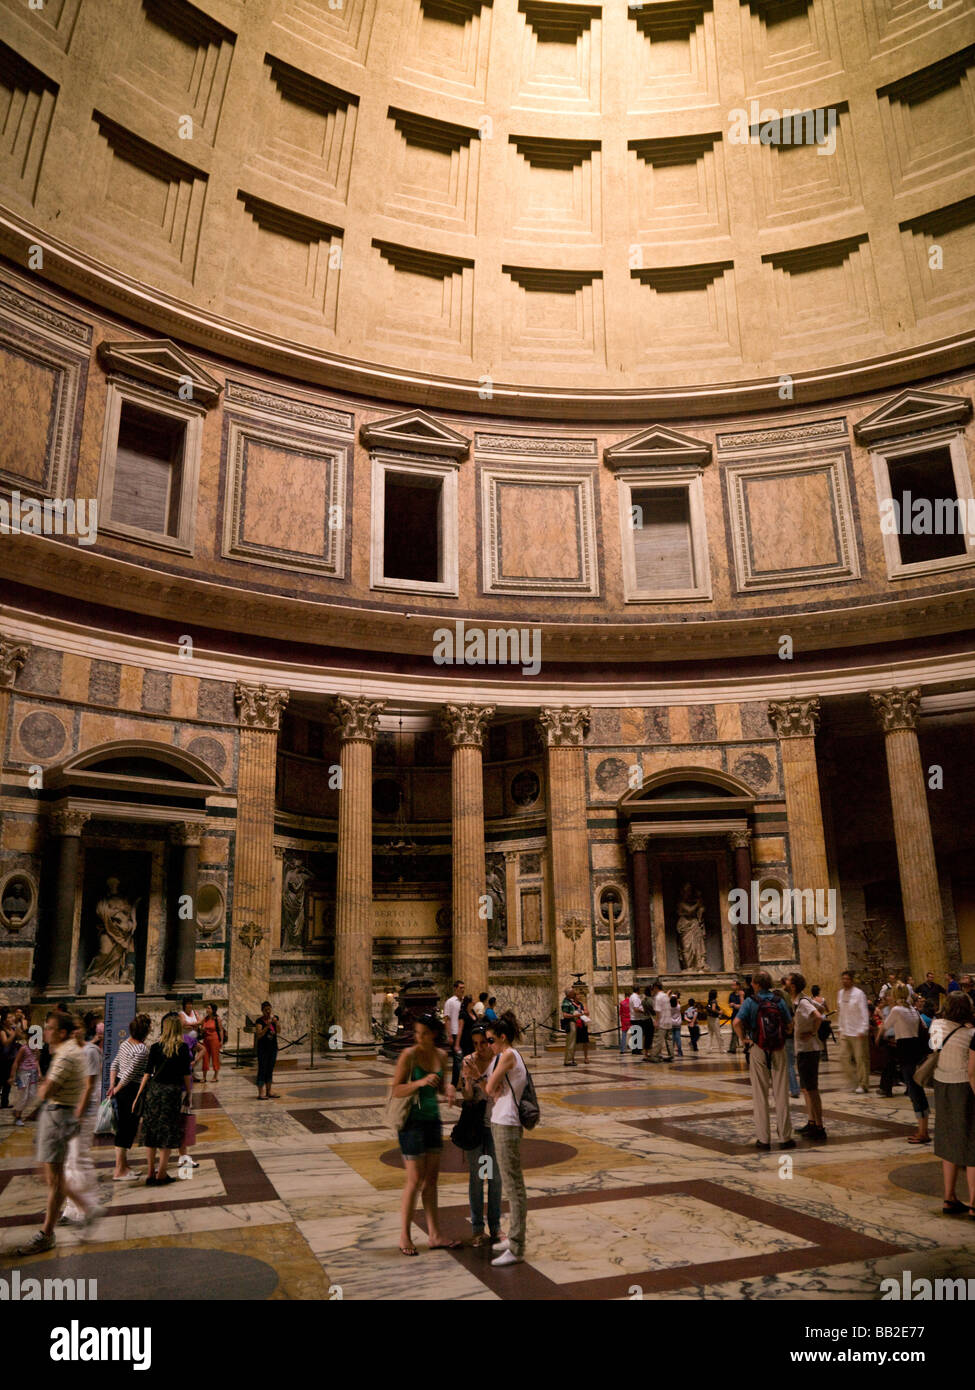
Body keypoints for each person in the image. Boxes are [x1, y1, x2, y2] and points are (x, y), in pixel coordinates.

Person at [16, 1011, 99, 1254]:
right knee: (50, 1175)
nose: (46, 1032)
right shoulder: (70, 1049)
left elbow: (45, 1092)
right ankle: (85, 1208)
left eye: (50, 1028)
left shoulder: (67, 1056)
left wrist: (43, 1087)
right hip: (58, 1114)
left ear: (62, 1032)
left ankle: (47, 1233)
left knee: (54, 1179)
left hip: (58, 1115)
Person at [391, 1013, 459, 1256]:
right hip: (411, 1122)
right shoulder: (408, 1056)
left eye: (424, 1033)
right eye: (416, 1033)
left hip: (432, 1121)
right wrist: (419, 1083)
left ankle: (435, 1234)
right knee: (415, 1180)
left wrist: (449, 1088)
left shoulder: (442, 1056)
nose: (419, 1038)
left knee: (431, 1181)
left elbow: (440, 1087)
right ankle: (404, 1235)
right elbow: (397, 1090)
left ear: (434, 1034)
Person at [484, 1011, 528, 1267]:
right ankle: (512, 1238)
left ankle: (516, 1245)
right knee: (511, 1185)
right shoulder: (509, 1055)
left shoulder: (509, 1055)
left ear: (502, 1037)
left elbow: (491, 1088)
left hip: (508, 1122)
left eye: (491, 1040)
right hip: (502, 1120)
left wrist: (492, 1086)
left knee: (514, 1188)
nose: (489, 1045)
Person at [734, 970, 795, 1151]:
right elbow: (790, 1025)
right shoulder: (779, 1001)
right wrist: (783, 1034)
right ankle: (785, 1137)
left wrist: (743, 1039)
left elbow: (737, 1022)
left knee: (760, 1093)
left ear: (756, 984)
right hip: (778, 1047)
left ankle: (763, 1139)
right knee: (781, 1091)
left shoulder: (750, 1002)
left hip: (758, 1047)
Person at [928, 992, 975, 1214]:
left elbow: (934, 1047)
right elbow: (971, 1068)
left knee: (948, 1138)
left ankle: (949, 1197)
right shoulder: (970, 1033)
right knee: (970, 1140)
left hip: (941, 1083)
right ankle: (974, 1202)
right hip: (963, 1085)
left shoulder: (936, 1025)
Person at [455, 1025, 502, 1247]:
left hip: (494, 1125)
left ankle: (495, 1226)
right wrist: (466, 1080)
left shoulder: (501, 1060)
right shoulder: (467, 1061)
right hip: (475, 1126)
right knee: (477, 1177)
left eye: (483, 1043)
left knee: (494, 1177)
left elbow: (497, 1092)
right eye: (475, 1044)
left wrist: (479, 1075)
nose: (479, 1048)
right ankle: (477, 1228)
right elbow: (468, 1096)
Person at [134, 1012, 192, 1185]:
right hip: (171, 1092)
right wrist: (188, 1094)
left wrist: (139, 1094)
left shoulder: (155, 1047)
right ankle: (162, 1173)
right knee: (167, 1131)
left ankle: (151, 1172)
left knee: (151, 1130)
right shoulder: (182, 1048)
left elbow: (147, 1072)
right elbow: (186, 1075)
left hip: (154, 1090)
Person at [62, 1018, 103, 1222]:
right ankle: (70, 1208)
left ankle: (90, 1204)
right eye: (71, 1029)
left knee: (80, 1157)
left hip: (84, 1111)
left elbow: (90, 1085)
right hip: (71, 1109)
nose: (74, 1033)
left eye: (77, 1028)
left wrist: (79, 1112)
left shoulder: (91, 1051)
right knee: (69, 1162)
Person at [884, 985, 930, 1144]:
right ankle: (923, 1129)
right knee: (918, 1091)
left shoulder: (897, 1010)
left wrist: (879, 1037)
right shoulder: (913, 1010)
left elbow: (885, 1027)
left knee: (914, 1093)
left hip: (906, 1055)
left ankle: (923, 1132)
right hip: (916, 1053)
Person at [107, 1013, 151, 1180]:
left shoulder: (125, 1042)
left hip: (121, 1086)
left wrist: (112, 1085)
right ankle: (119, 1170)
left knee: (124, 1127)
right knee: (126, 1128)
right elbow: (130, 1074)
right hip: (130, 1089)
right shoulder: (141, 1049)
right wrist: (116, 1088)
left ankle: (124, 1166)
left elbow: (115, 1064)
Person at [787, 972, 826, 1141]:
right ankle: (811, 1122)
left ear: (793, 985)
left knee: (811, 1089)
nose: (785, 982)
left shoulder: (802, 1002)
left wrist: (812, 1031)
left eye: (787, 980)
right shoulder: (801, 1000)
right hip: (804, 1050)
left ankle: (819, 1127)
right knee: (806, 1089)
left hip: (808, 1050)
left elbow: (818, 1016)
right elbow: (822, 1009)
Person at [837, 970, 871, 1094]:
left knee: (860, 1059)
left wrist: (863, 1029)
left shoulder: (859, 994)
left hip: (858, 1032)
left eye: (847, 979)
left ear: (851, 980)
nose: (844, 981)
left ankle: (863, 1084)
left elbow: (863, 1012)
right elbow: (841, 1012)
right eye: (843, 979)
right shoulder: (840, 993)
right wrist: (840, 1028)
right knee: (843, 1057)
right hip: (845, 1031)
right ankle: (853, 1081)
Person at [11, 1022, 40, 1125]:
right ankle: (18, 1116)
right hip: (23, 1073)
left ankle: (17, 1110)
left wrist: (39, 1072)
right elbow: (16, 1062)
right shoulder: (23, 1048)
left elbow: (36, 1060)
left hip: (33, 1073)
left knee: (32, 1095)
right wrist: (12, 1076)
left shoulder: (36, 1048)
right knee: (23, 1095)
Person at [775, 978, 800, 1098]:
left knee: (781, 1065)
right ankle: (793, 1089)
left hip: (780, 1038)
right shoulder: (789, 1008)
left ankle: (790, 1089)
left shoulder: (776, 1009)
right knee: (790, 1064)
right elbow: (792, 1023)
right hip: (789, 1037)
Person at [254, 1000, 280, 1099]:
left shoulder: (273, 1020)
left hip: (272, 1047)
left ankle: (269, 1091)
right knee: (262, 1069)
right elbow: (259, 1035)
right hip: (263, 1049)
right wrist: (267, 1026)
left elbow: (278, 1031)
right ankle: (261, 1092)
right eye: (266, 1010)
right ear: (262, 1011)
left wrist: (276, 1023)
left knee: (270, 1069)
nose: (268, 1012)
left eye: (269, 1009)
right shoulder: (259, 1021)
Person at [443, 981, 464, 1087]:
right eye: (460, 988)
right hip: (455, 1033)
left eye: (463, 987)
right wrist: (449, 1035)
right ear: (455, 989)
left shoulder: (464, 1001)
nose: (462, 990)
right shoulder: (450, 1002)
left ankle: (464, 1082)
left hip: (463, 1033)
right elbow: (447, 1019)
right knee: (457, 1059)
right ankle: (454, 1083)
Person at [179, 997, 205, 1079]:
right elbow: (183, 1024)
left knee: (196, 1054)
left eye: (191, 1004)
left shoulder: (195, 1012)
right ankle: (186, 1074)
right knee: (187, 1057)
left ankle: (192, 1070)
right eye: (188, 1004)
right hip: (185, 1039)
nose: (190, 1005)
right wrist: (195, 1025)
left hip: (194, 1039)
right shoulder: (181, 1013)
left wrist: (191, 1025)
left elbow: (201, 1022)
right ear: (184, 1005)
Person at [649, 980, 673, 1063]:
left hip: (662, 1022)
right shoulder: (666, 996)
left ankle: (654, 1056)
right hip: (669, 1021)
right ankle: (671, 1055)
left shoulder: (658, 997)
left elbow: (658, 1011)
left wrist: (656, 1021)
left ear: (656, 988)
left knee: (658, 1040)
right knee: (669, 1039)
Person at [200, 1003, 224, 1082]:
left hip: (214, 1039)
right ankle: (204, 1077)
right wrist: (202, 1030)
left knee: (215, 1058)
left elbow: (220, 1030)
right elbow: (202, 1028)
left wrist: (221, 1041)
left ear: (213, 1010)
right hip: (206, 1040)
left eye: (209, 1008)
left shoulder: (217, 1019)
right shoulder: (205, 1019)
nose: (207, 1010)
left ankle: (215, 1076)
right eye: (207, 1008)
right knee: (205, 1058)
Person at [628, 984, 647, 1057]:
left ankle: (635, 1050)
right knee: (638, 1035)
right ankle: (637, 1050)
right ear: (638, 990)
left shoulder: (632, 996)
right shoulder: (635, 998)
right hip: (637, 1018)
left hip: (634, 1018)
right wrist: (644, 1012)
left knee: (635, 1035)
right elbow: (636, 1009)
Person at [727, 982, 744, 1053]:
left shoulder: (742, 994)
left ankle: (746, 1047)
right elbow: (729, 1004)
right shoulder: (731, 994)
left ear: (738, 986)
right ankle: (732, 1048)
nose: (732, 986)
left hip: (741, 1015)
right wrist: (731, 1005)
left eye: (733, 985)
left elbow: (743, 1006)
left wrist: (734, 1005)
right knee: (734, 1032)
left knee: (743, 1032)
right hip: (734, 1015)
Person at [705, 989, 723, 1054]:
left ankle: (708, 1049)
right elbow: (713, 1009)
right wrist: (719, 1012)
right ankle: (721, 1049)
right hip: (714, 1019)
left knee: (710, 1033)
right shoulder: (714, 1001)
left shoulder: (709, 1001)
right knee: (718, 1034)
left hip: (709, 1018)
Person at [576, 993, 591, 1064]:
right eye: (577, 995)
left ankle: (586, 1057)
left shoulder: (581, 1004)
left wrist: (582, 1012)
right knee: (575, 1042)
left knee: (585, 1042)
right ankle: (572, 1057)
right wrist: (582, 1013)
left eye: (579, 995)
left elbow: (587, 1012)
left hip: (583, 1024)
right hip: (576, 1024)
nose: (578, 997)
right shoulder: (572, 1004)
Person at [670, 992, 683, 1059]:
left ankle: (671, 1052)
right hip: (678, 1023)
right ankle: (680, 1052)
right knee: (678, 1038)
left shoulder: (669, 1007)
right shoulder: (678, 1006)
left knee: (672, 1039)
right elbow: (677, 1001)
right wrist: (676, 997)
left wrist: (671, 996)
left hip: (671, 1023)